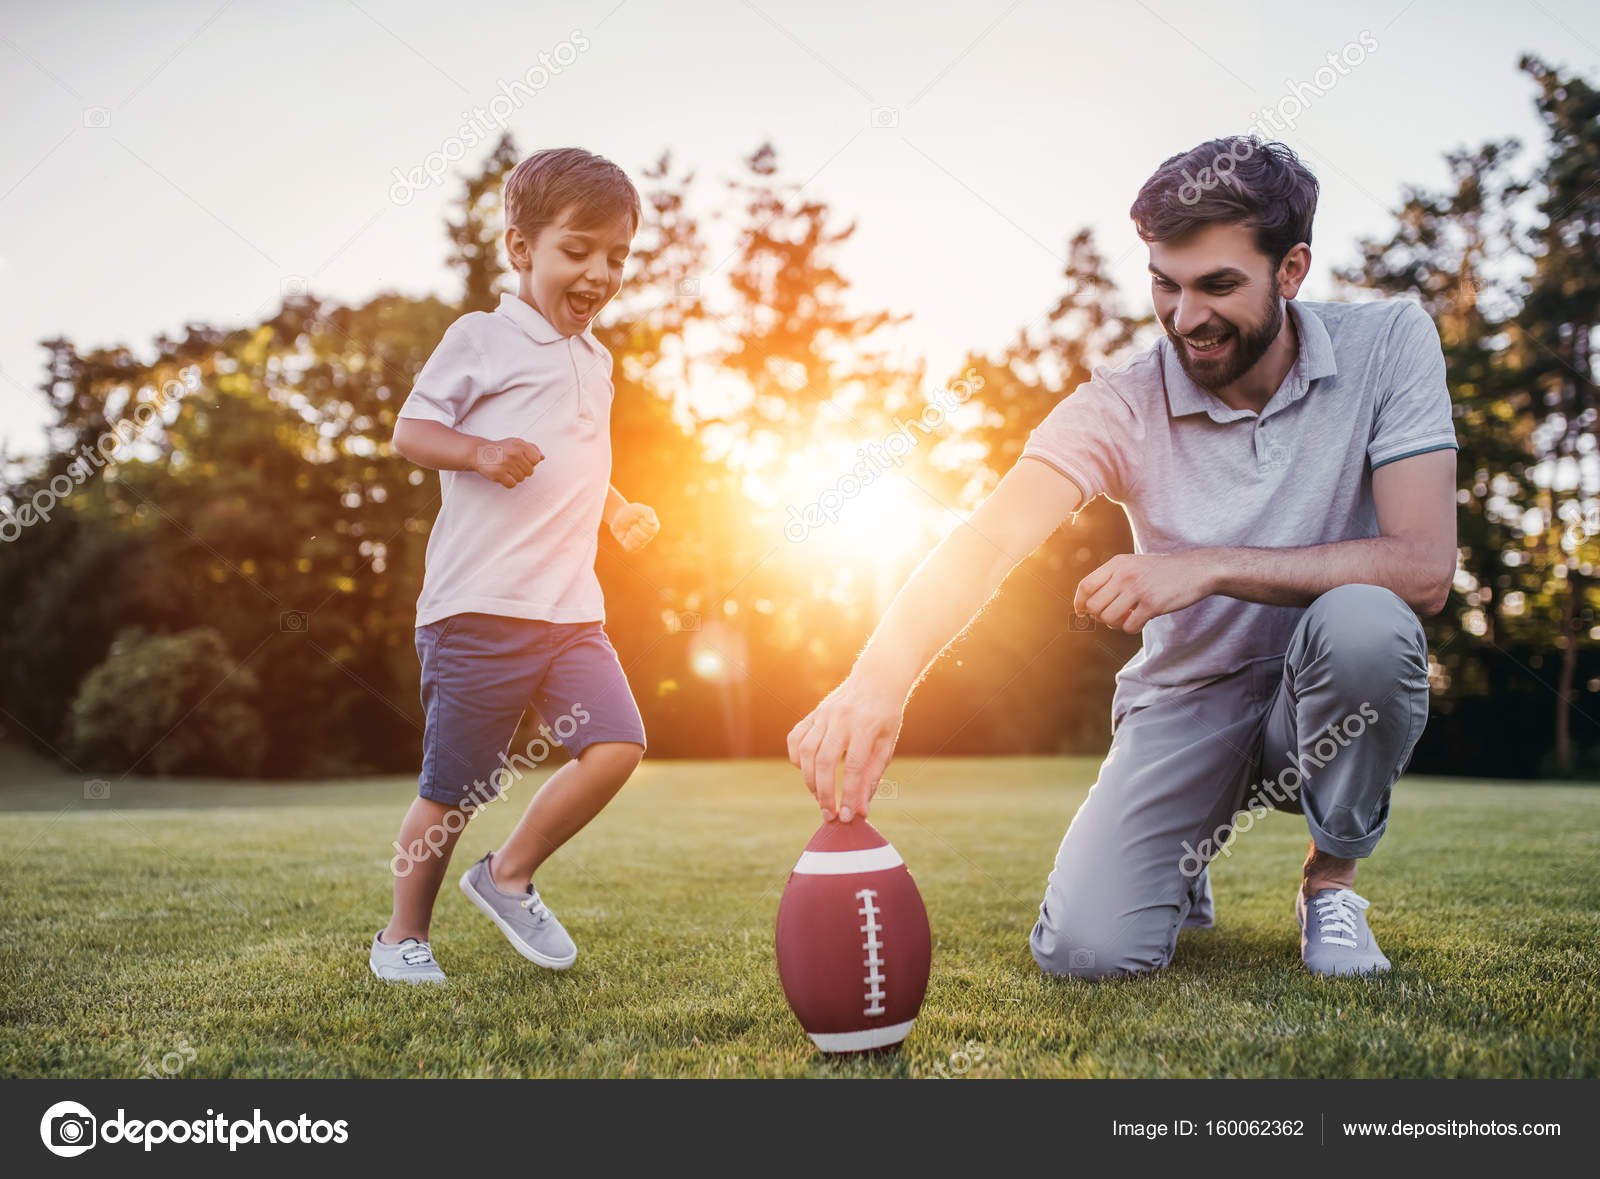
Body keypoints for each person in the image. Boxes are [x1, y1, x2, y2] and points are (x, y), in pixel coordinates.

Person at [788, 137, 1457, 979]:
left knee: (1369, 624)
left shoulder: (1390, 343)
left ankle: (1329, 884)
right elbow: (990, 539)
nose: (1185, 318)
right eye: (1165, 285)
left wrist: (1208, 564)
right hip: (1188, 701)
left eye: (1218, 286)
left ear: (1291, 270)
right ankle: (1183, 852)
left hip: (1327, 695)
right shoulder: (1121, 401)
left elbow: (1423, 567)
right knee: (1088, 952)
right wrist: (877, 680)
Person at [370, 147, 658, 983]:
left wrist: (618, 510)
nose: (600, 273)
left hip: (570, 611)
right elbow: (411, 431)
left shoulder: (597, 359)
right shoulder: (482, 337)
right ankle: (401, 937)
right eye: (579, 250)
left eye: (617, 256)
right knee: (455, 788)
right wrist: (480, 450)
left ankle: (507, 874)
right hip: (478, 607)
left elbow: (579, 461)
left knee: (618, 744)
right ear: (522, 249)